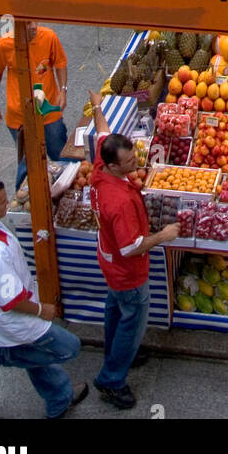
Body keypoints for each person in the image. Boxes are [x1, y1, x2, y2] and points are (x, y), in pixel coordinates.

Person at [0, 177, 86, 419]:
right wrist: (41, 309)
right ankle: (3, 355)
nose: (8, 204)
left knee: (39, 362)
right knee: (69, 347)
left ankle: (59, 399)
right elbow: (11, 302)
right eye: (2, 202)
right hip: (16, 322)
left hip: (3, 314)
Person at [88, 91, 179, 408]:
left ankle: (118, 349)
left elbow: (102, 131)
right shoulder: (121, 201)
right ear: (114, 165)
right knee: (132, 319)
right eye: (129, 162)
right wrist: (164, 235)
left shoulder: (101, 165)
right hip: (127, 270)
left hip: (108, 261)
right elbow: (132, 247)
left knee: (115, 309)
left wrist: (98, 106)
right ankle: (112, 380)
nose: (136, 163)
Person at [0, 18, 68, 191]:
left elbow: (60, 63)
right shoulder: (4, 45)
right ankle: (23, 205)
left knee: (62, 157)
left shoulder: (49, 37)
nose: (33, 26)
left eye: (34, 21)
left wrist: (63, 90)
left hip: (49, 113)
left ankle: (67, 191)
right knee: (27, 164)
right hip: (19, 116)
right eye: (26, 23)